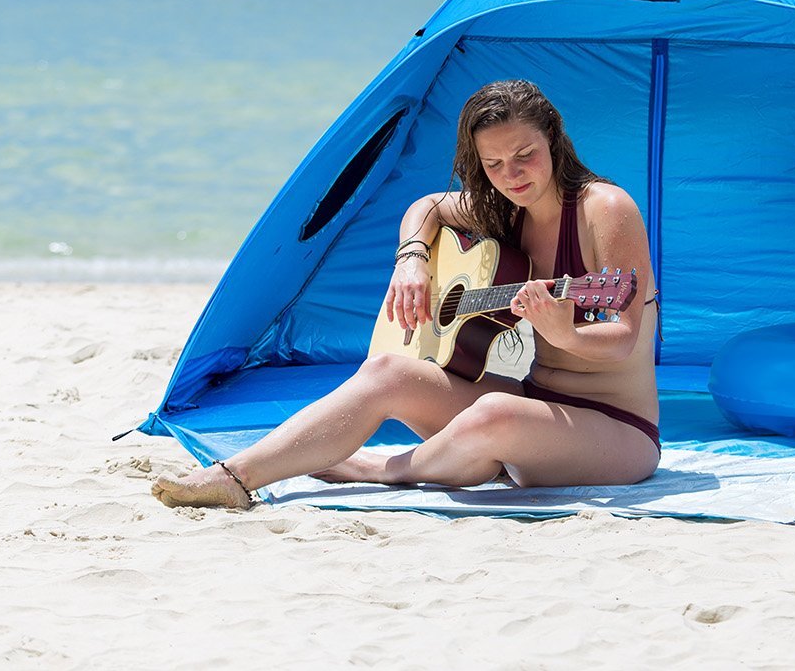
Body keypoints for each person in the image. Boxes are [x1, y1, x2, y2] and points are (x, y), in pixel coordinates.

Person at [152, 79, 660, 509]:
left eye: (525, 155)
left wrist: (564, 333)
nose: (512, 176)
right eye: (494, 163)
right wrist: (412, 258)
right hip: (530, 409)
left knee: (495, 415)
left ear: (554, 139)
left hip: (616, 430)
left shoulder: (604, 209)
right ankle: (234, 478)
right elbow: (429, 206)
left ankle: (381, 469)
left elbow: (623, 339)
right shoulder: (506, 207)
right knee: (388, 372)